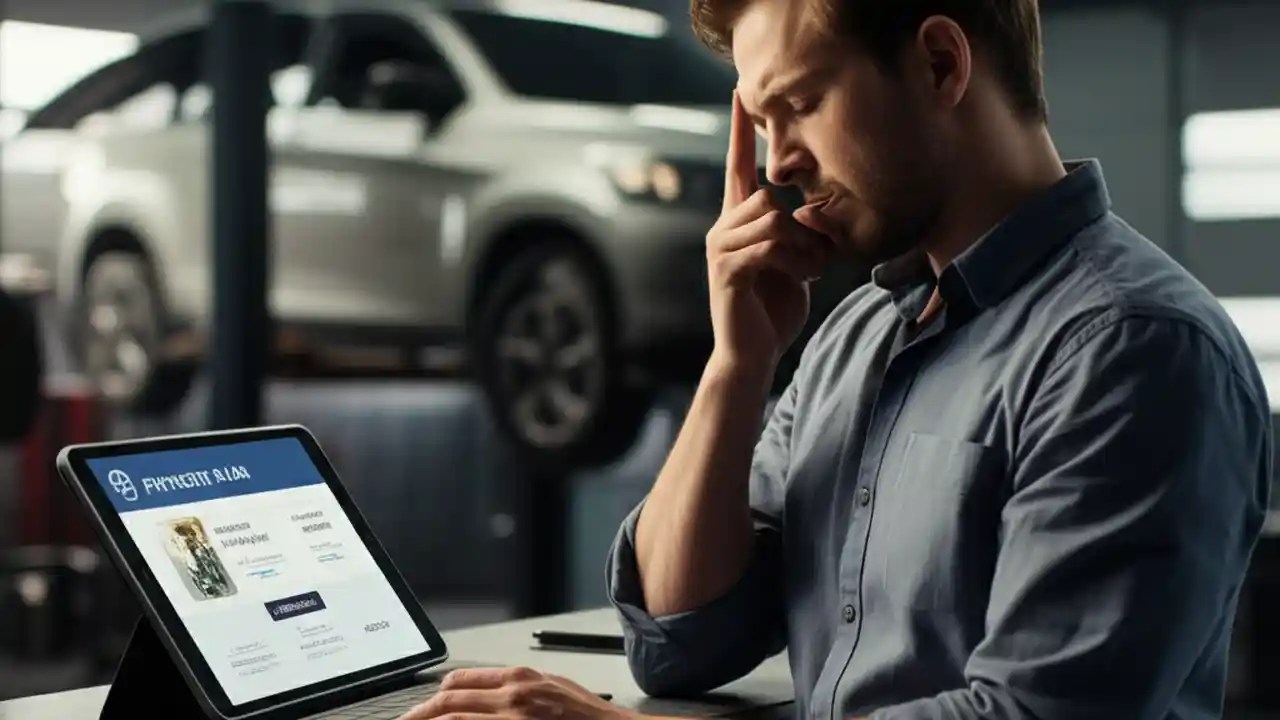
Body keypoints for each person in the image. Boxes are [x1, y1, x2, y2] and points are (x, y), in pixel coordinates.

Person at [399, 0, 1273, 718]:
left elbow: (1037, 713)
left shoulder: (1134, 350)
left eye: (802, 104)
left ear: (939, 64)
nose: (779, 163)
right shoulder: (852, 340)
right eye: (764, 121)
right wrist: (736, 367)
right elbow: (679, 638)